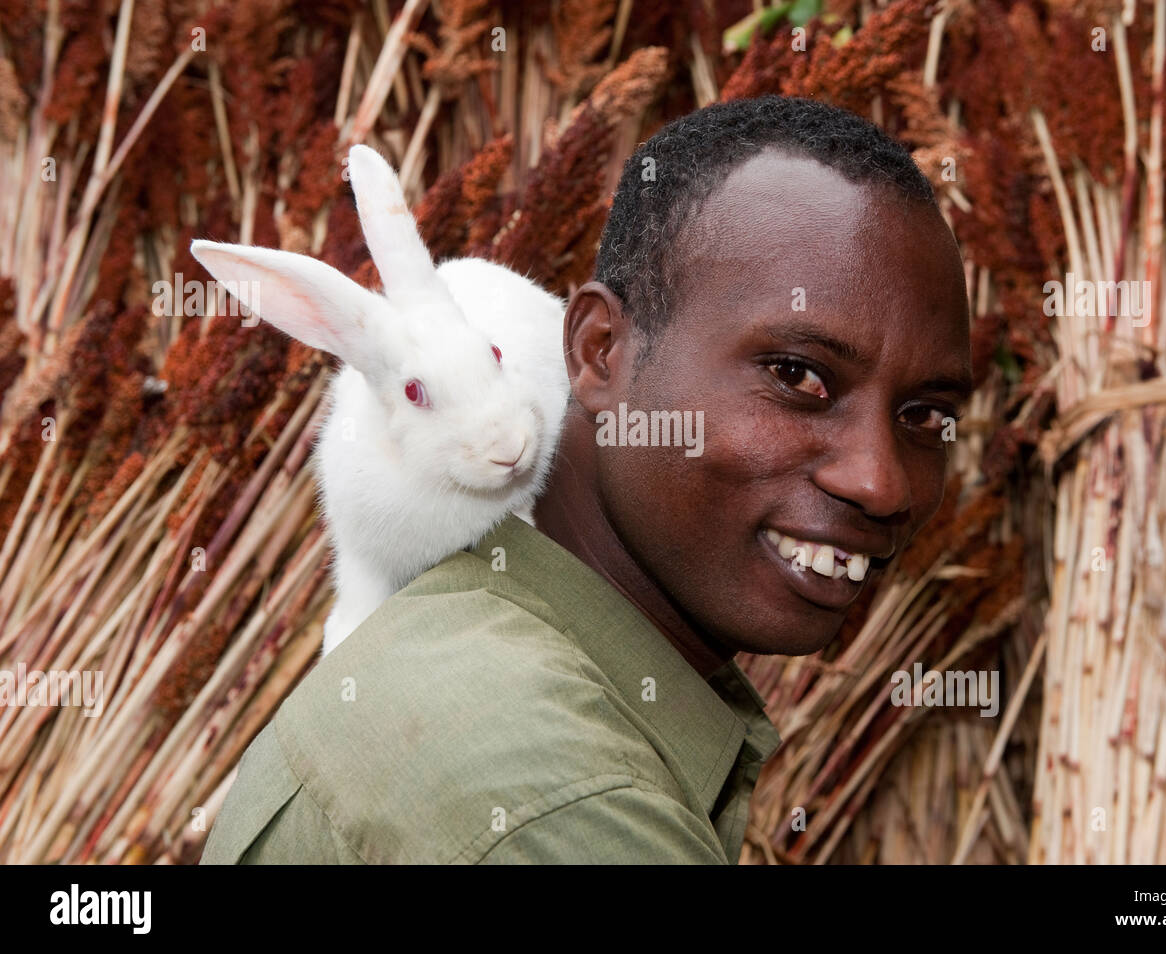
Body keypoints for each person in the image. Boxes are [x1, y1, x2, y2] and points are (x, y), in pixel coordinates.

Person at [199, 94, 972, 864]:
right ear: (601, 351)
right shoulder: (564, 800)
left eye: (926, 416)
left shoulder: (467, 649)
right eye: (797, 374)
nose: (880, 482)